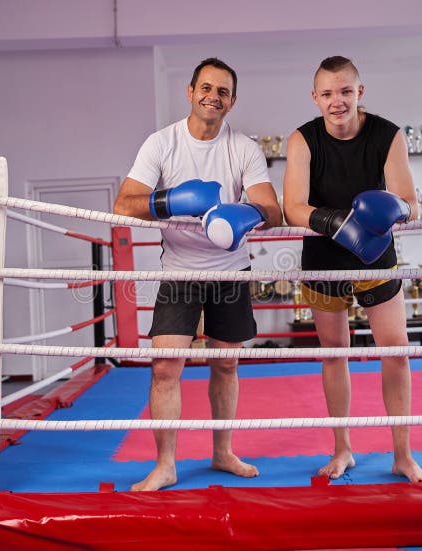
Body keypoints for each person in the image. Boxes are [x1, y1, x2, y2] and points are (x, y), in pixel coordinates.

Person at [113, 57, 282, 491]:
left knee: (225, 366)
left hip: (231, 272)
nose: (213, 97)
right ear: (190, 92)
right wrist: (172, 201)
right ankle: (166, 464)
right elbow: (125, 203)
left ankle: (223, 452)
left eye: (223, 91)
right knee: (165, 368)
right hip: (180, 273)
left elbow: (272, 210)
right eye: (206, 88)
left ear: (233, 101)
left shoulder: (243, 147)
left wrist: (240, 212)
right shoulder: (161, 143)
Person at [282, 55, 422, 483]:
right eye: (328, 94)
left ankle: (403, 456)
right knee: (335, 356)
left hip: (376, 252)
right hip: (325, 254)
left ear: (359, 92)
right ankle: (343, 449)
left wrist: (395, 208)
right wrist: (337, 223)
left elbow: (411, 202)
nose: (337, 102)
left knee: (396, 352)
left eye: (345, 91)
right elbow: (291, 207)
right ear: (315, 98)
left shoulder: (387, 135)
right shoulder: (302, 140)